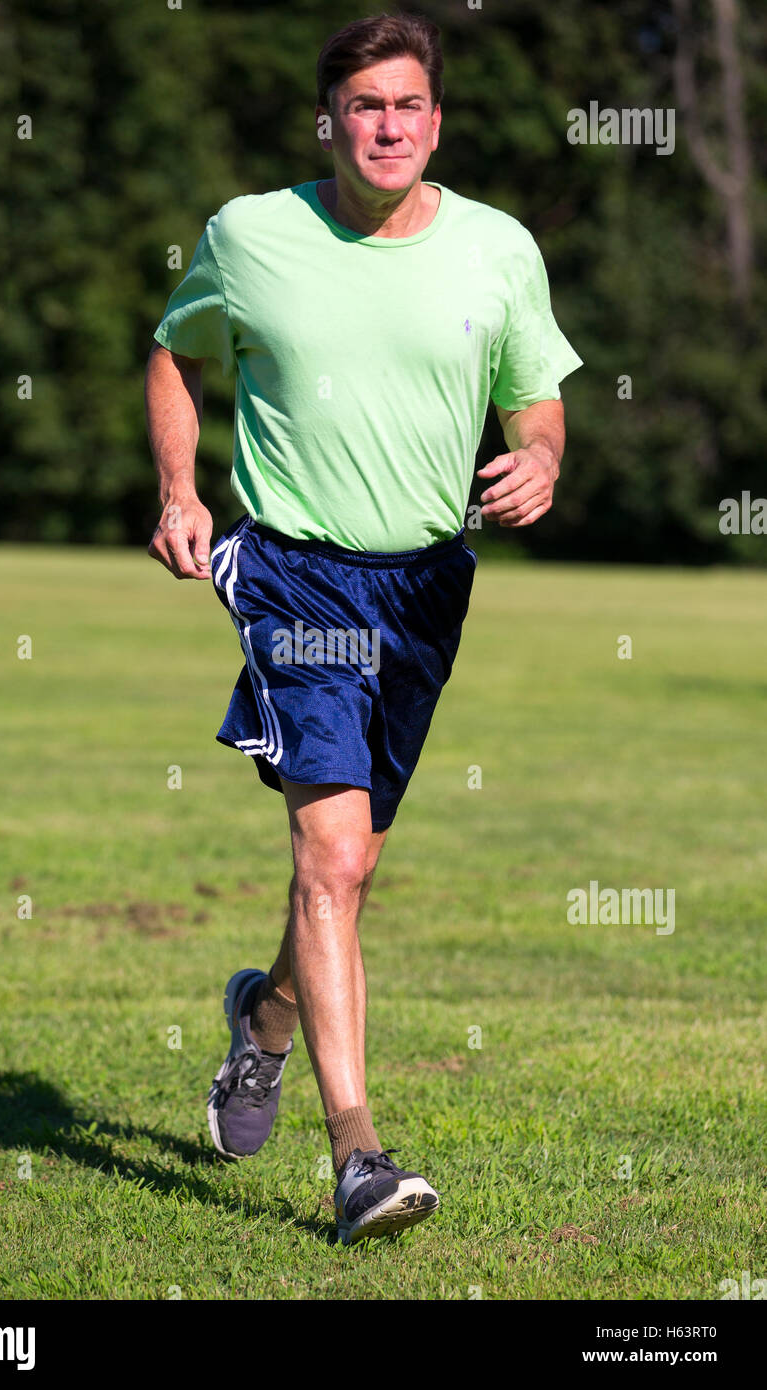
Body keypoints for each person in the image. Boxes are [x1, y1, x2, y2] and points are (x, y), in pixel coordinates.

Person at [145, 13, 582, 1245]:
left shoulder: (498, 248)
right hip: (294, 574)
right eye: (363, 105)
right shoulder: (251, 233)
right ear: (325, 121)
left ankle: (262, 1023)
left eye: (407, 105)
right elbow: (174, 354)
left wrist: (537, 461)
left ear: (433, 123)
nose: (386, 124)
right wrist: (182, 490)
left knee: (356, 865)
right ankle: (357, 1156)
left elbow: (536, 405)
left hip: (428, 587)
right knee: (330, 855)